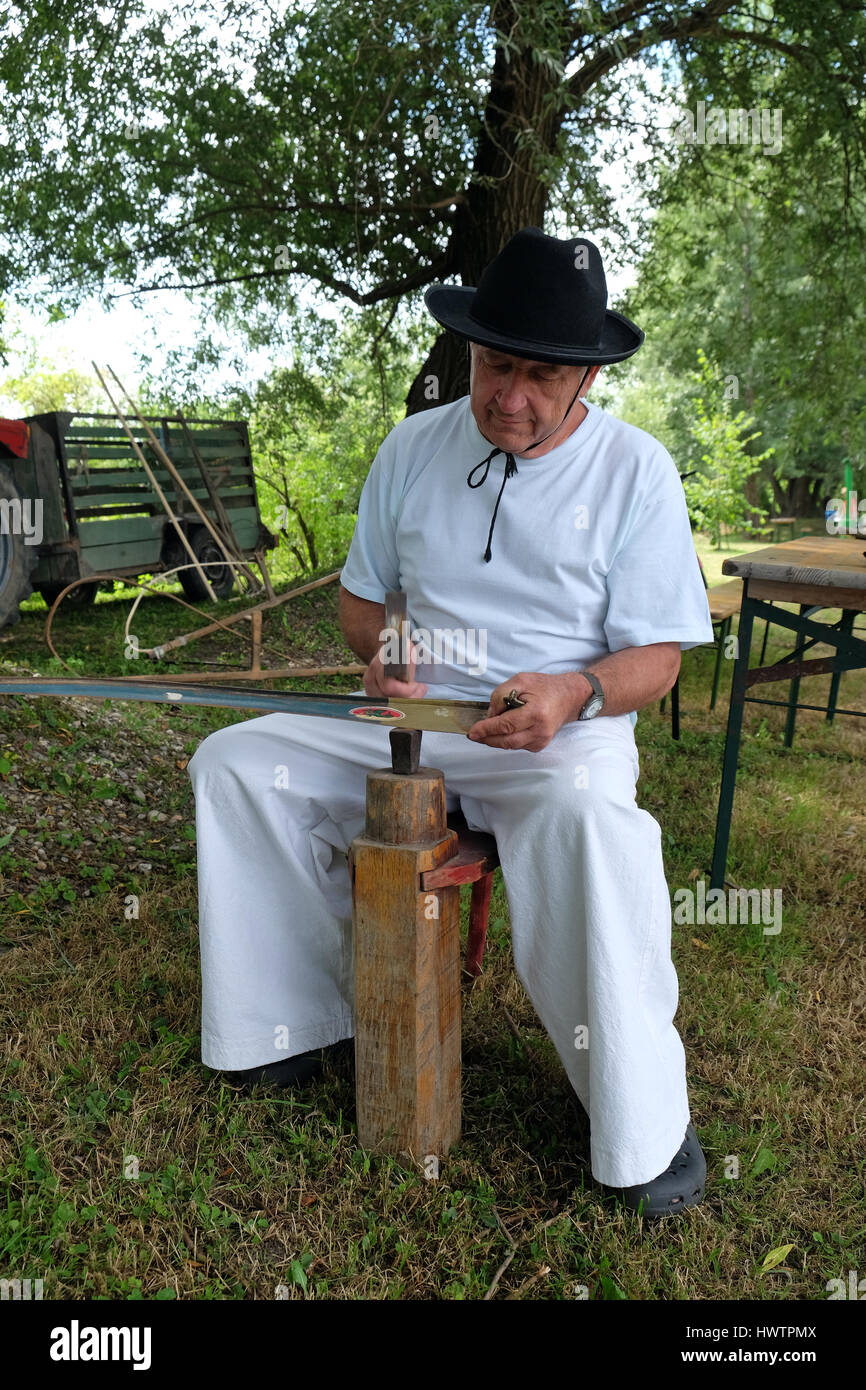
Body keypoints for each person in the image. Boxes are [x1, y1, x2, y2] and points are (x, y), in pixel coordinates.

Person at [188, 226, 715, 1218]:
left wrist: (572, 691)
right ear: (469, 353)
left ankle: (642, 1126)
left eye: (539, 377)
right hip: (411, 719)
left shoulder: (634, 471)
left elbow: (658, 657)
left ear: (585, 379)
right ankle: (292, 1024)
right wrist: (381, 648)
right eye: (493, 364)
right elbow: (360, 601)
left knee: (592, 827)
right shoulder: (412, 445)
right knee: (239, 762)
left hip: (556, 734)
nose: (508, 396)